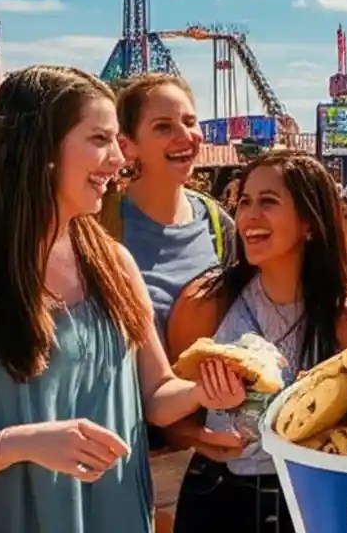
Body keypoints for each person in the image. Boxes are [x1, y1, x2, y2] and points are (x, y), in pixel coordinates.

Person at [0, 66, 244, 533]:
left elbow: (156, 394)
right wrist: (19, 444)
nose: (118, 158)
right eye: (100, 139)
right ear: (40, 149)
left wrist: (205, 390)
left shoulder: (114, 264)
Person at [174, 151, 347, 531]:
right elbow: (167, 411)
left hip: (312, 505)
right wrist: (200, 436)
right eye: (244, 202)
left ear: (309, 223)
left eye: (268, 202)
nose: (250, 216)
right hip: (218, 497)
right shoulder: (207, 302)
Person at [96, 72, 242, 529]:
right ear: (128, 146)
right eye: (163, 126)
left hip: (206, 458)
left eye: (190, 122)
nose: (185, 135)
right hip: (122, 456)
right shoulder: (100, 225)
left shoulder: (218, 224)